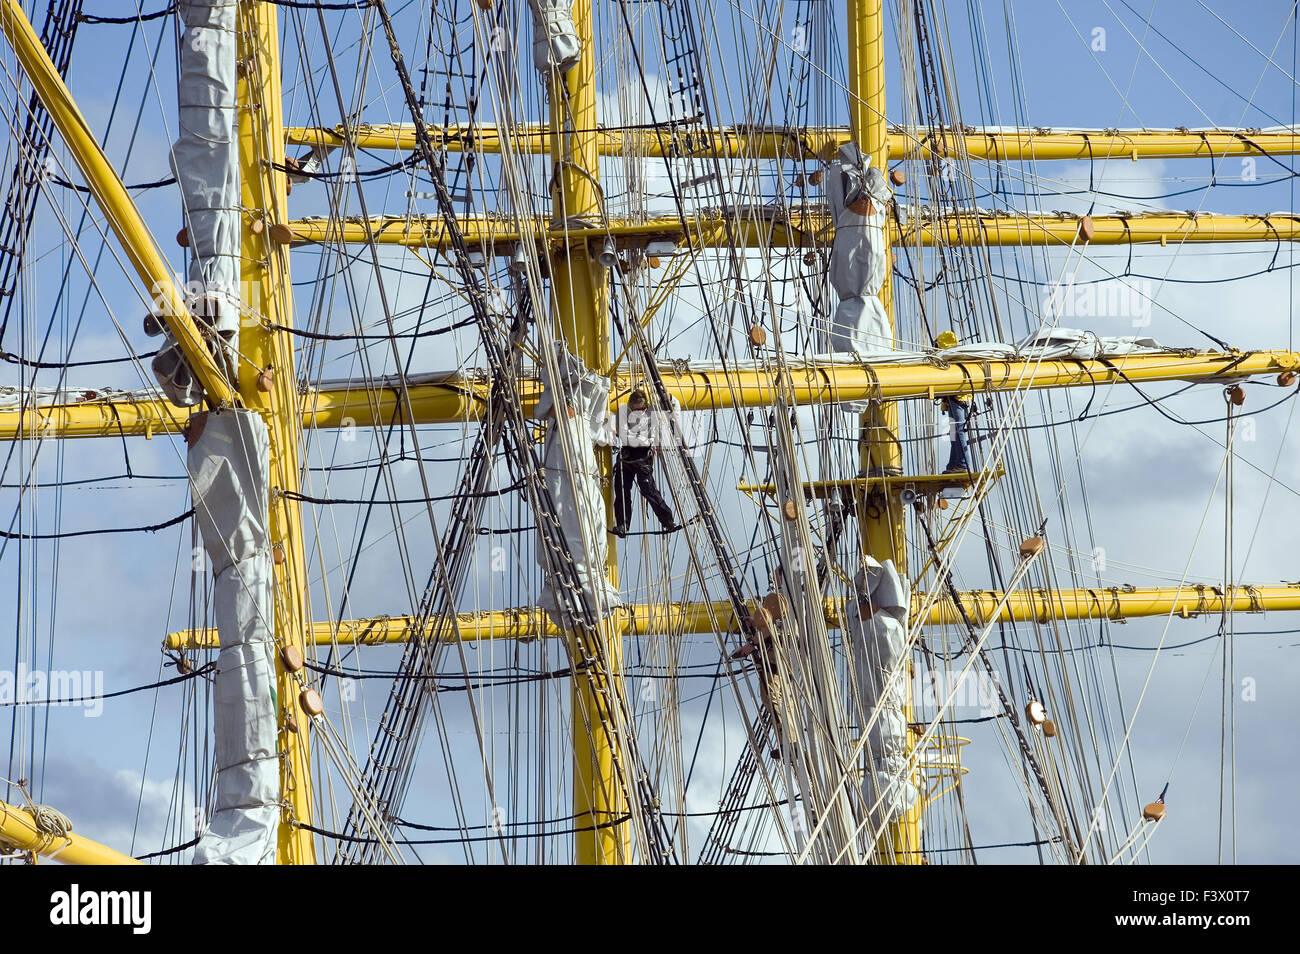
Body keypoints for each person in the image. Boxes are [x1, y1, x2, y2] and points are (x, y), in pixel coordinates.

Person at [611, 390, 680, 537]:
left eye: (641, 409)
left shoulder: (652, 412)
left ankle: (668, 521)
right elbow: (623, 436)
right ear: (631, 406)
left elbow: (672, 407)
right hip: (627, 456)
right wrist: (645, 439)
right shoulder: (623, 411)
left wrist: (669, 396)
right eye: (636, 409)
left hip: (643, 458)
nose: (639, 412)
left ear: (646, 406)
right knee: (622, 489)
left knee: (647, 489)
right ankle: (623, 524)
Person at [941, 395, 970, 474]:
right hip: (952, 400)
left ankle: (963, 464)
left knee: (958, 431)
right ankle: (953, 465)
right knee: (954, 434)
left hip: (957, 399)